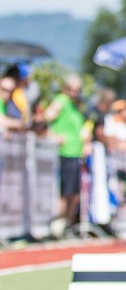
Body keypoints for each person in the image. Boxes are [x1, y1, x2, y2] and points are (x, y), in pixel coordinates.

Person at [42, 74, 86, 237]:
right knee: (65, 193)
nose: (74, 92)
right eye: (71, 89)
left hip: (75, 153)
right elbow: (45, 119)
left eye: (77, 89)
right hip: (64, 153)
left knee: (74, 194)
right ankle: (57, 226)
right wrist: (51, 135)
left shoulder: (75, 106)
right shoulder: (60, 100)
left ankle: (67, 226)